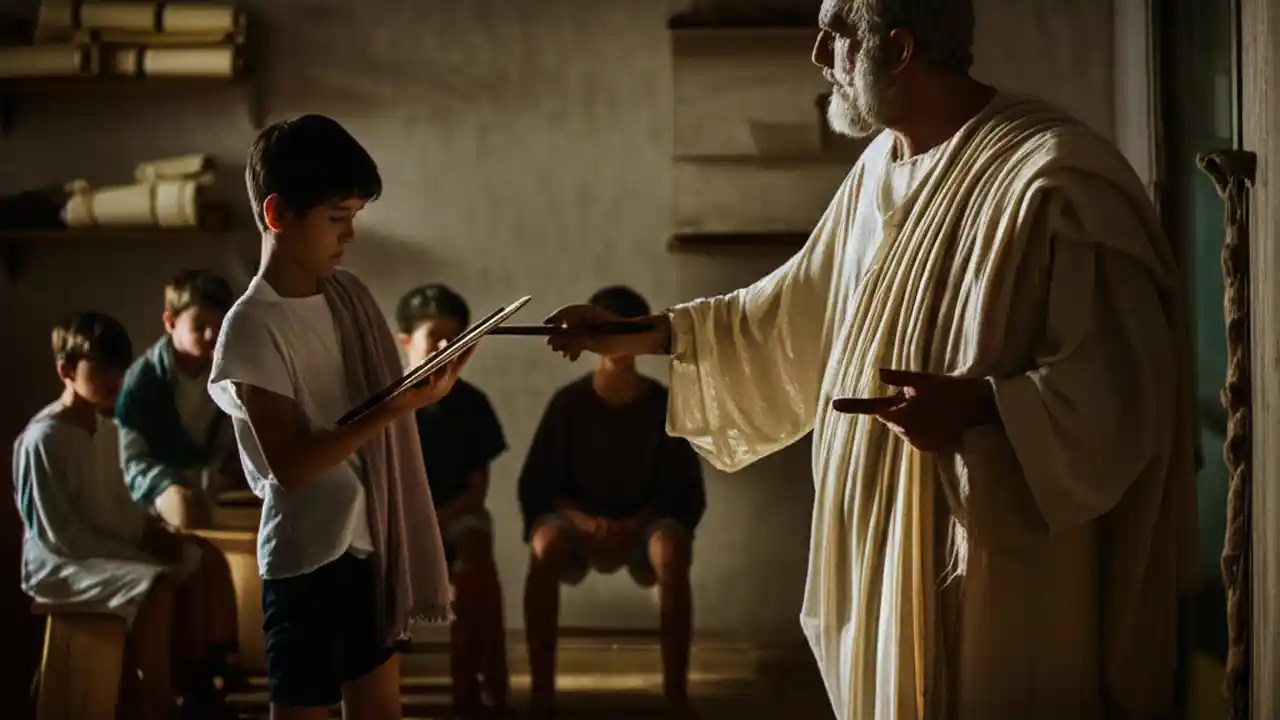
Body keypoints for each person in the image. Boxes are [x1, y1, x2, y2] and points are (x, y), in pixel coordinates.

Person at [541, 2, 1199, 718]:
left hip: (994, 555)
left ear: (901, 48)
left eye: (837, 35)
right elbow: (786, 310)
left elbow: (1121, 391)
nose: (819, 55)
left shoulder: (1053, 179)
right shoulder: (877, 168)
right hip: (878, 541)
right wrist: (639, 334)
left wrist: (984, 406)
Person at [207, 115, 470, 720]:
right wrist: (399, 407)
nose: (348, 235)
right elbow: (293, 466)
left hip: (364, 542)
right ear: (277, 215)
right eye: (336, 219)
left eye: (353, 218)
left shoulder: (344, 296)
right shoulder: (253, 325)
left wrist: (417, 392)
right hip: (306, 558)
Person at [12, 311, 239, 720]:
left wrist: (155, 536)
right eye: (100, 367)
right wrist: (138, 555)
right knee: (156, 585)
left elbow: (123, 507)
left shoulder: (111, 431)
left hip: (112, 548)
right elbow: (59, 533)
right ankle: (160, 701)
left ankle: (202, 681)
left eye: (118, 368)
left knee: (202, 561)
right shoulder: (42, 438)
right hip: (64, 561)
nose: (114, 378)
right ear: (66, 369)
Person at [521, 286, 705, 719]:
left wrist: (637, 522)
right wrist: (582, 521)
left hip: (645, 522)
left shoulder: (662, 403)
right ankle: (541, 692)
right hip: (577, 521)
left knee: (671, 549)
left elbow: (681, 488)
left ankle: (676, 693)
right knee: (545, 544)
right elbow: (539, 484)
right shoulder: (568, 403)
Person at [396, 283, 510, 716]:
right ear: (406, 342)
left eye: (455, 340)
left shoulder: (472, 403)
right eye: (433, 339)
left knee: (477, 552)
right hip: (397, 522)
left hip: (453, 517)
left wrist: (436, 522)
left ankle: (473, 690)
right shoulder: (387, 401)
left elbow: (477, 489)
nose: (444, 349)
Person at [116, 269, 239, 530]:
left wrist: (223, 475)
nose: (211, 336)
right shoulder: (143, 381)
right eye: (200, 326)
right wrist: (168, 486)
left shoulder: (232, 374)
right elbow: (133, 462)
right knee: (186, 513)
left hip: (219, 486)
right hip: (164, 491)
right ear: (170, 322)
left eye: (220, 327)